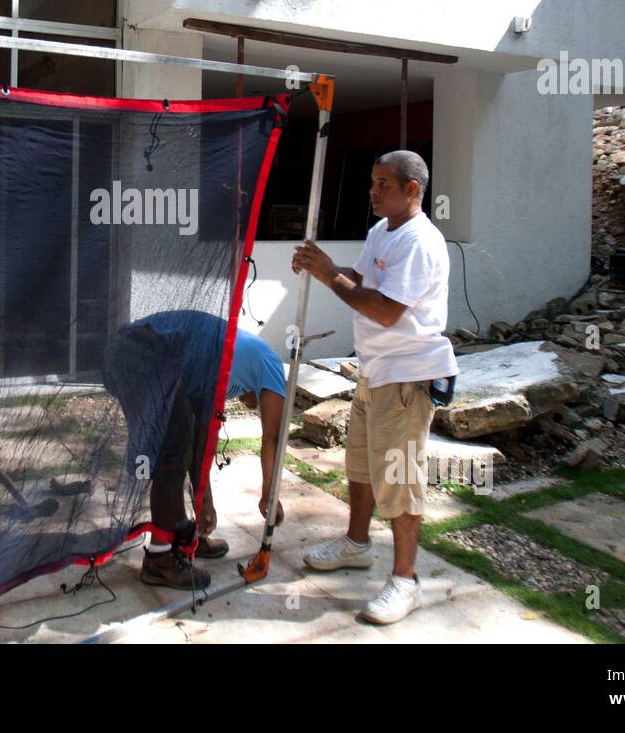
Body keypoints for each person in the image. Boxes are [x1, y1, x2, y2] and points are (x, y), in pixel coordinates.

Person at [291, 149, 458, 625]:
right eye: (371, 182)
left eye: (384, 183)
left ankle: (406, 581)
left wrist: (327, 275)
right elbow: (362, 279)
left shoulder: (421, 242)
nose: (373, 190)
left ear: (412, 189)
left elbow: (385, 310)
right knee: (361, 465)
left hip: (406, 376)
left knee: (400, 478)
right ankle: (356, 544)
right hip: (374, 371)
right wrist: (324, 265)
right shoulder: (382, 231)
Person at [101, 310, 286, 591]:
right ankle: (160, 560)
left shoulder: (221, 373)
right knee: (172, 447)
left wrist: (205, 502)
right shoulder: (269, 364)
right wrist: (269, 495)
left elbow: (201, 440)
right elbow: (272, 436)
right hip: (139, 351)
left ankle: (181, 538)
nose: (252, 405)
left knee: (179, 441)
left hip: (130, 356)